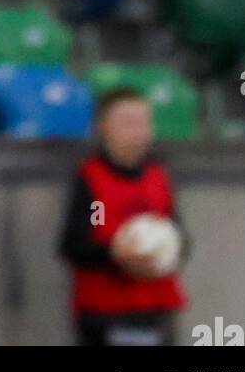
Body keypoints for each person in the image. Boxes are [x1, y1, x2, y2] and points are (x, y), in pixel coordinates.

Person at [58, 86, 190, 346]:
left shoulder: (157, 177)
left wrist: (170, 249)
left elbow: (181, 237)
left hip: (156, 309)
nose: (138, 131)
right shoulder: (92, 178)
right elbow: (75, 244)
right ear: (103, 126)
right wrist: (116, 254)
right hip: (107, 313)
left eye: (143, 122)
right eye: (127, 123)